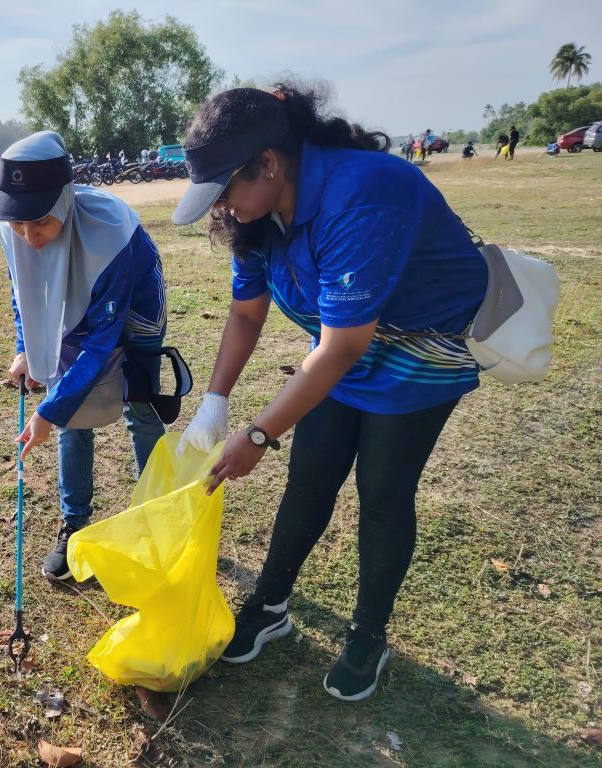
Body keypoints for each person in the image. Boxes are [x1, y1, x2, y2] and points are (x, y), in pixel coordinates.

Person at [171, 85, 488, 702]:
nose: (224, 211)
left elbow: (342, 348)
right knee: (312, 473)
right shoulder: (259, 217)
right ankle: (270, 604)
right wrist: (216, 401)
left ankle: (368, 635)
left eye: (226, 191)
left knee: (383, 488)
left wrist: (260, 433)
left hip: (420, 350)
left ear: (269, 163)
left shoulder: (363, 191)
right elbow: (245, 315)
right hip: (342, 343)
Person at [0, 131, 168, 582]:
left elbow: (103, 341)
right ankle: (75, 526)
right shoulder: (16, 228)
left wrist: (49, 410)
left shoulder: (110, 231)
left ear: (64, 200)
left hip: (130, 311)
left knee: (138, 407)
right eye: (18, 226)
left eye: (39, 223)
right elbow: (21, 292)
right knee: (70, 418)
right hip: (68, 313)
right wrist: (27, 347)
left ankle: (158, 520)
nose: (29, 237)